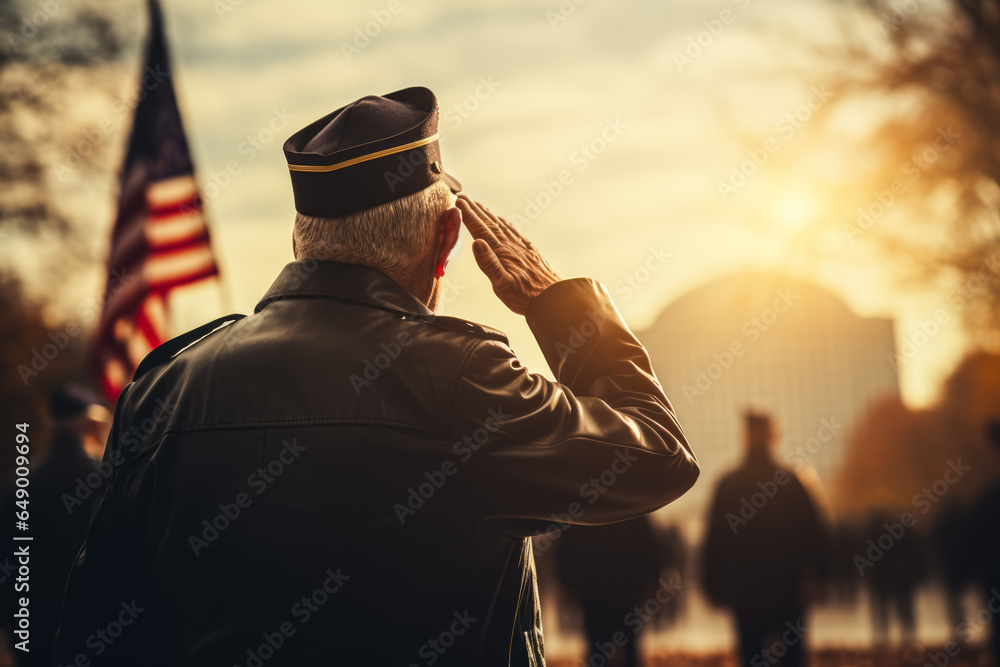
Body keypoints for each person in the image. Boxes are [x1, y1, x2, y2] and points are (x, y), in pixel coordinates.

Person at [56, 86, 700, 666]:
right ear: (449, 237)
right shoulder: (460, 380)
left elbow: (94, 634)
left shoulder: (166, 385)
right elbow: (659, 455)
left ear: (301, 236)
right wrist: (559, 306)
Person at [701, 411, 828, 667]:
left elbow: (715, 541)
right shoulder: (792, 482)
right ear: (773, 437)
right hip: (788, 590)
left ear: (744, 438)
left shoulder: (728, 485)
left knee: (751, 656)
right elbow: (816, 533)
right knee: (792, 659)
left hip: (746, 592)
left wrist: (713, 586)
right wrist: (823, 576)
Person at [0, 386, 110, 667]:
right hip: (95, 633)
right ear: (91, 425)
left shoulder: (19, 485)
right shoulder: (104, 482)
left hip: (33, 636)